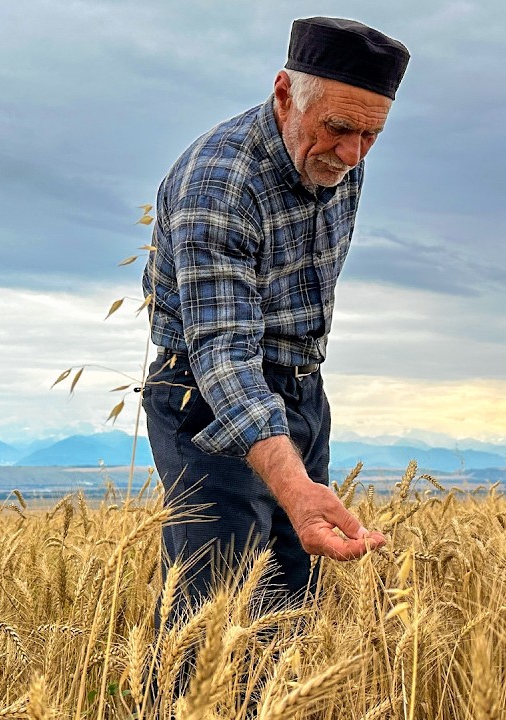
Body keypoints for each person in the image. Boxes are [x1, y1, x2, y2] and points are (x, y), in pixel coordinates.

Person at [141, 17, 409, 623]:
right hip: (205, 396)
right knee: (213, 617)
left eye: (371, 135)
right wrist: (295, 488)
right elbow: (225, 358)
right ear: (285, 94)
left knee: (288, 605)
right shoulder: (218, 183)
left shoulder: (345, 154)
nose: (352, 155)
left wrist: (300, 440)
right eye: (338, 128)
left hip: (302, 389)